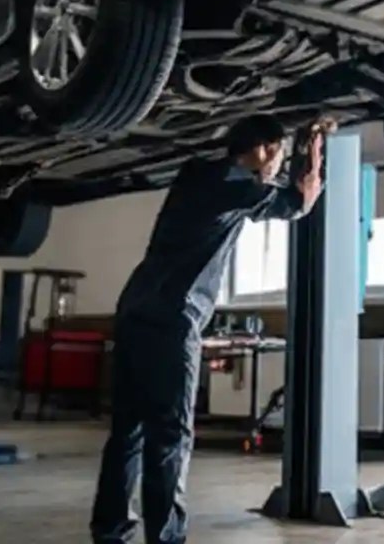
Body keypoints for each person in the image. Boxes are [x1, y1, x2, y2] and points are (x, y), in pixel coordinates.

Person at [90, 115, 325, 544]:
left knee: (128, 431)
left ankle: (110, 533)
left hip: (133, 309)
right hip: (171, 319)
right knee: (170, 435)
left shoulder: (196, 174)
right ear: (264, 150)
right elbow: (298, 203)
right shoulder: (236, 189)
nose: (276, 164)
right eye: (277, 154)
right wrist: (313, 148)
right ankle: (166, 539)